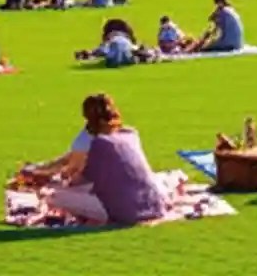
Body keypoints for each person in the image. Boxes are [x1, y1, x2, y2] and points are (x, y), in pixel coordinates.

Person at [45, 94, 168, 225]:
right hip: (154, 205)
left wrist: (55, 179)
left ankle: (87, 218)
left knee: (53, 196)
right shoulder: (130, 133)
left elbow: (76, 178)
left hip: (122, 212)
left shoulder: (94, 142)